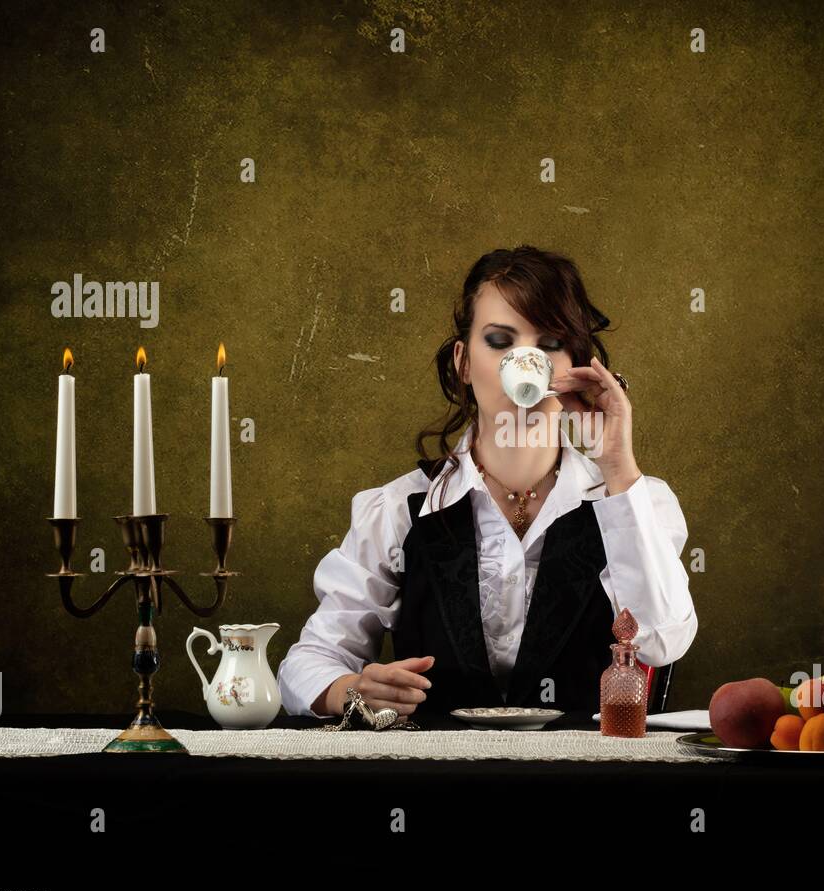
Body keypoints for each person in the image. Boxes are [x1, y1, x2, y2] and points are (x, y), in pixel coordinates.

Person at [276, 245, 697, 722]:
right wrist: (352, 688)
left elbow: (663, 641)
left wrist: (618, 468)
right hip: (437, 783)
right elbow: (305, 665)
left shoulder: (636, 500)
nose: (527, 363)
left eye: (550, 344)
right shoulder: (399, 509)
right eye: (500, 341)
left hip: (585, 783)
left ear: (577, 366)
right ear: (463, 361)